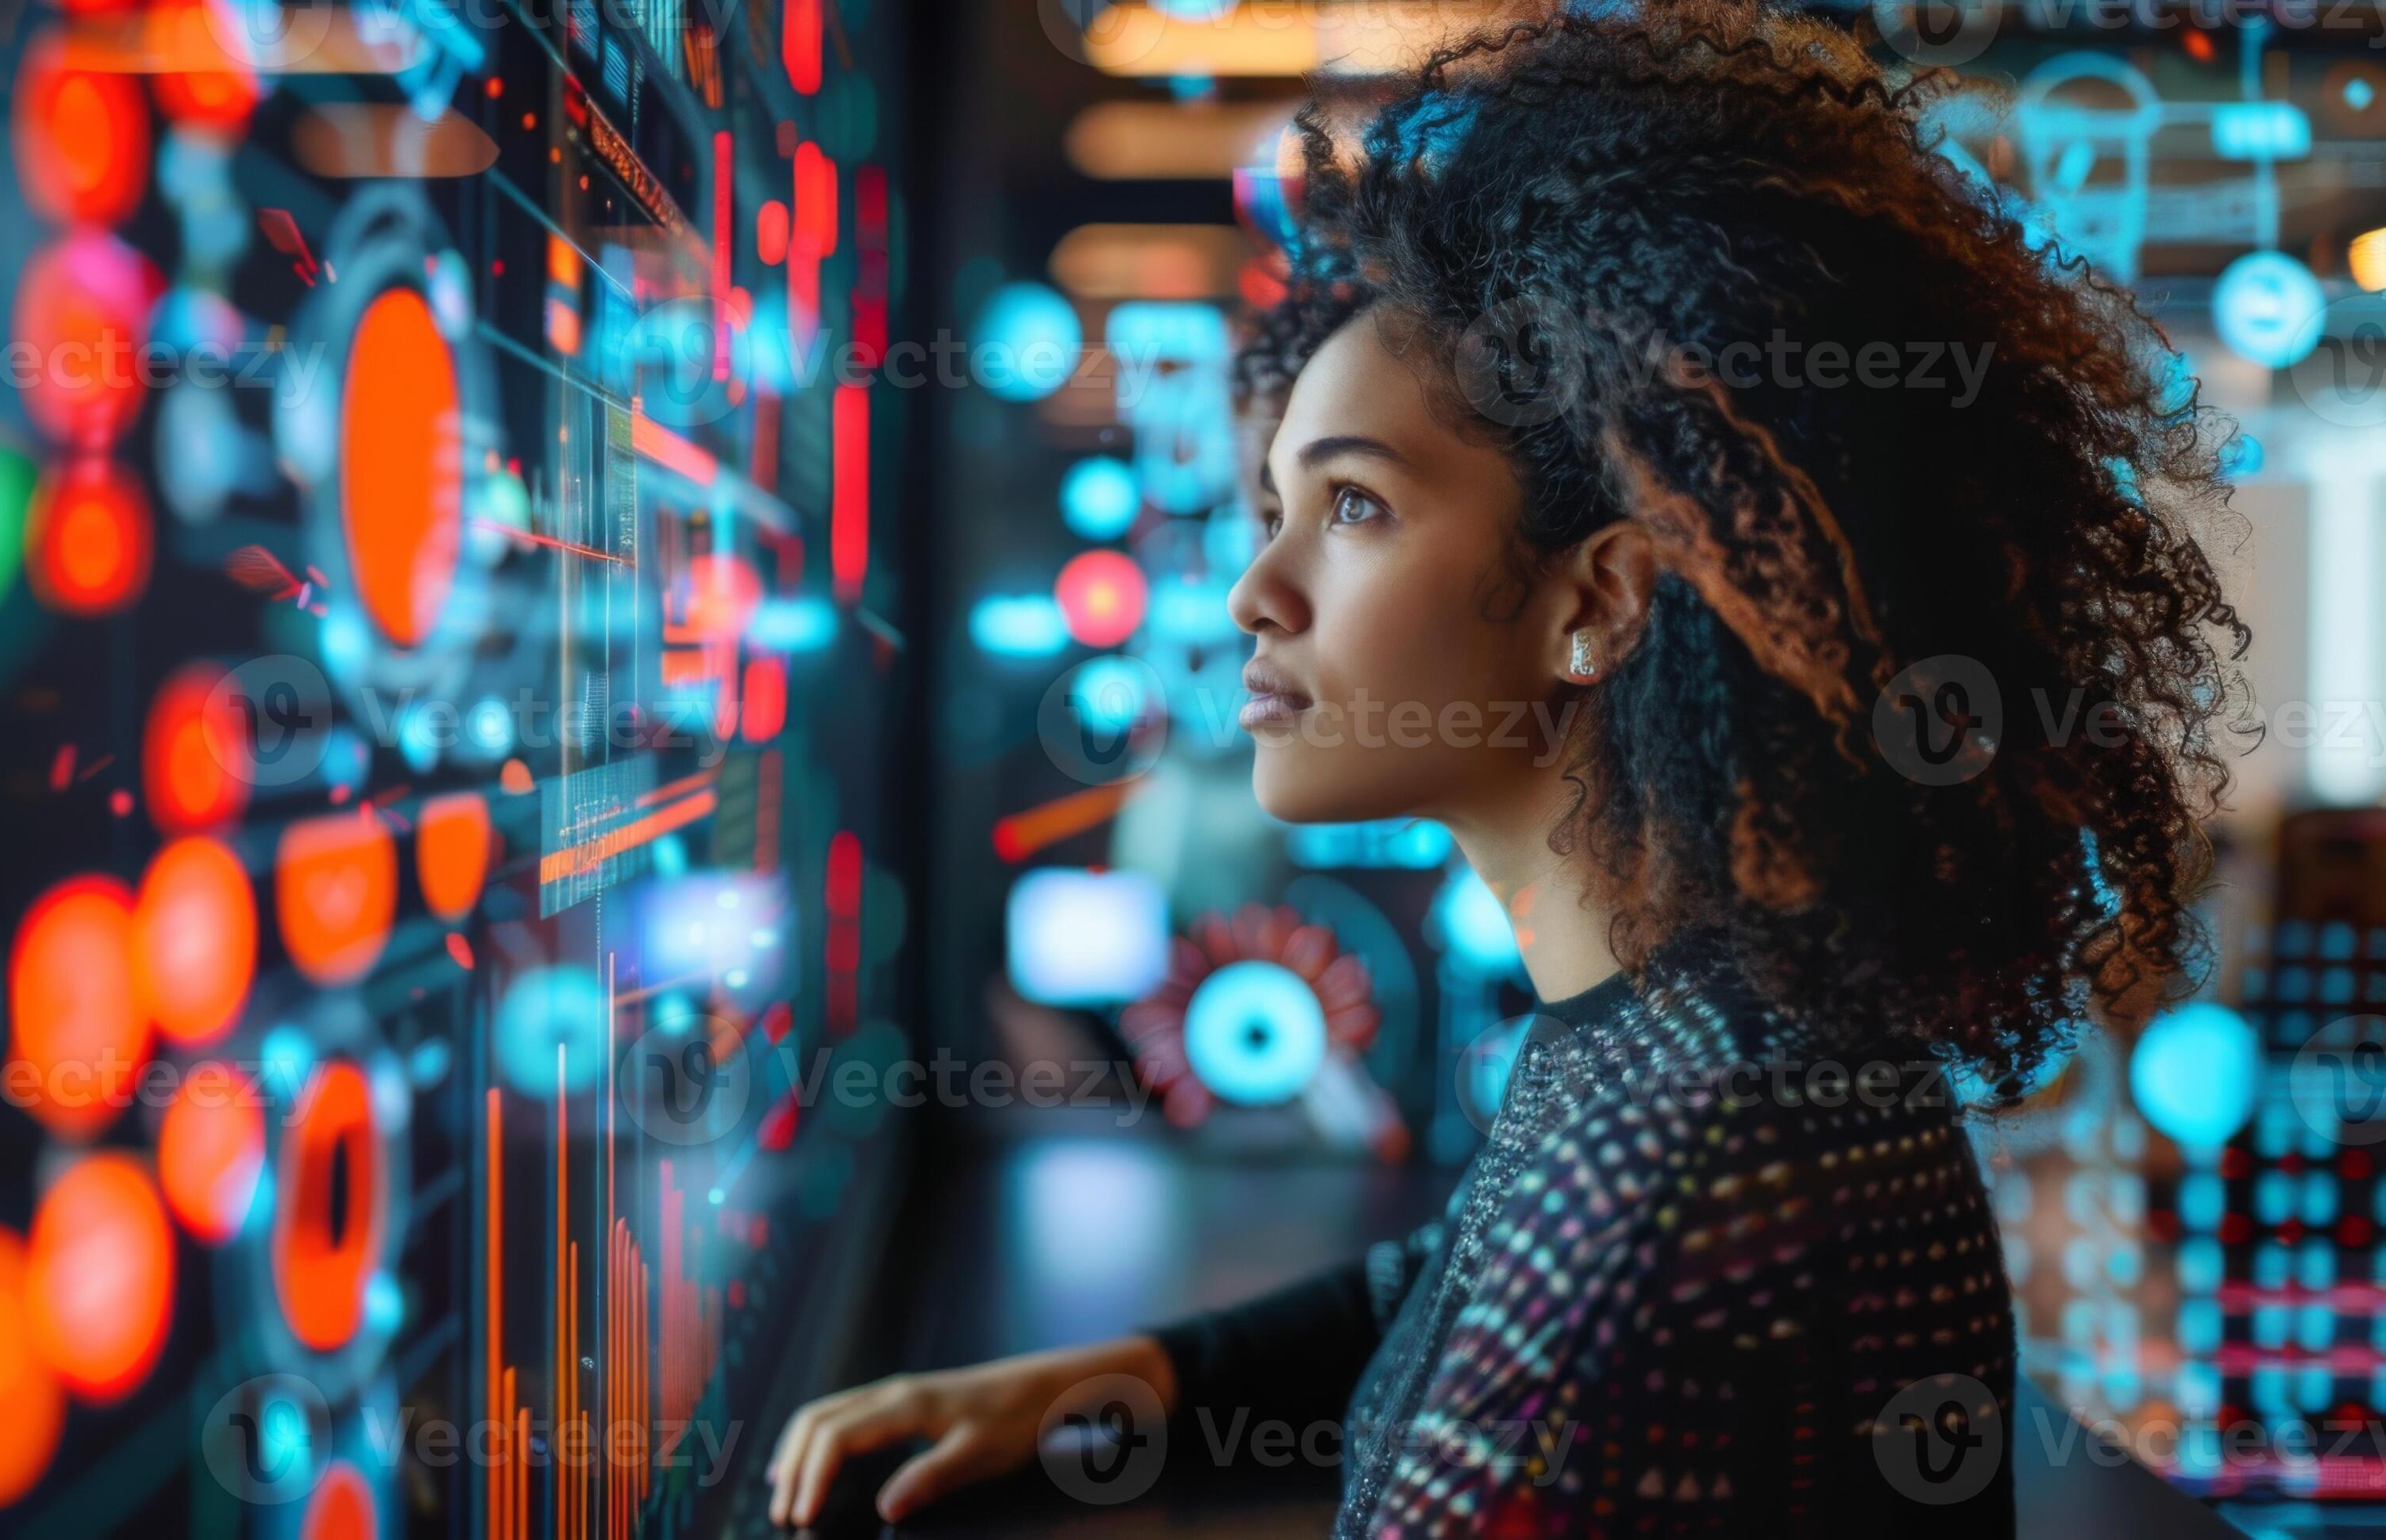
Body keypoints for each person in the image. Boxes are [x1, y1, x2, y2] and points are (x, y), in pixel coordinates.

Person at [769, 0, 2249, 1531]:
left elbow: (1547, 1301)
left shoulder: (1638, 1233)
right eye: (1278, 505)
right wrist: (1144, 1374)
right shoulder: (1724, 1033)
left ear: (1596, 599)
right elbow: (1467, 1259)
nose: (1253, 592)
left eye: (1351, 508)